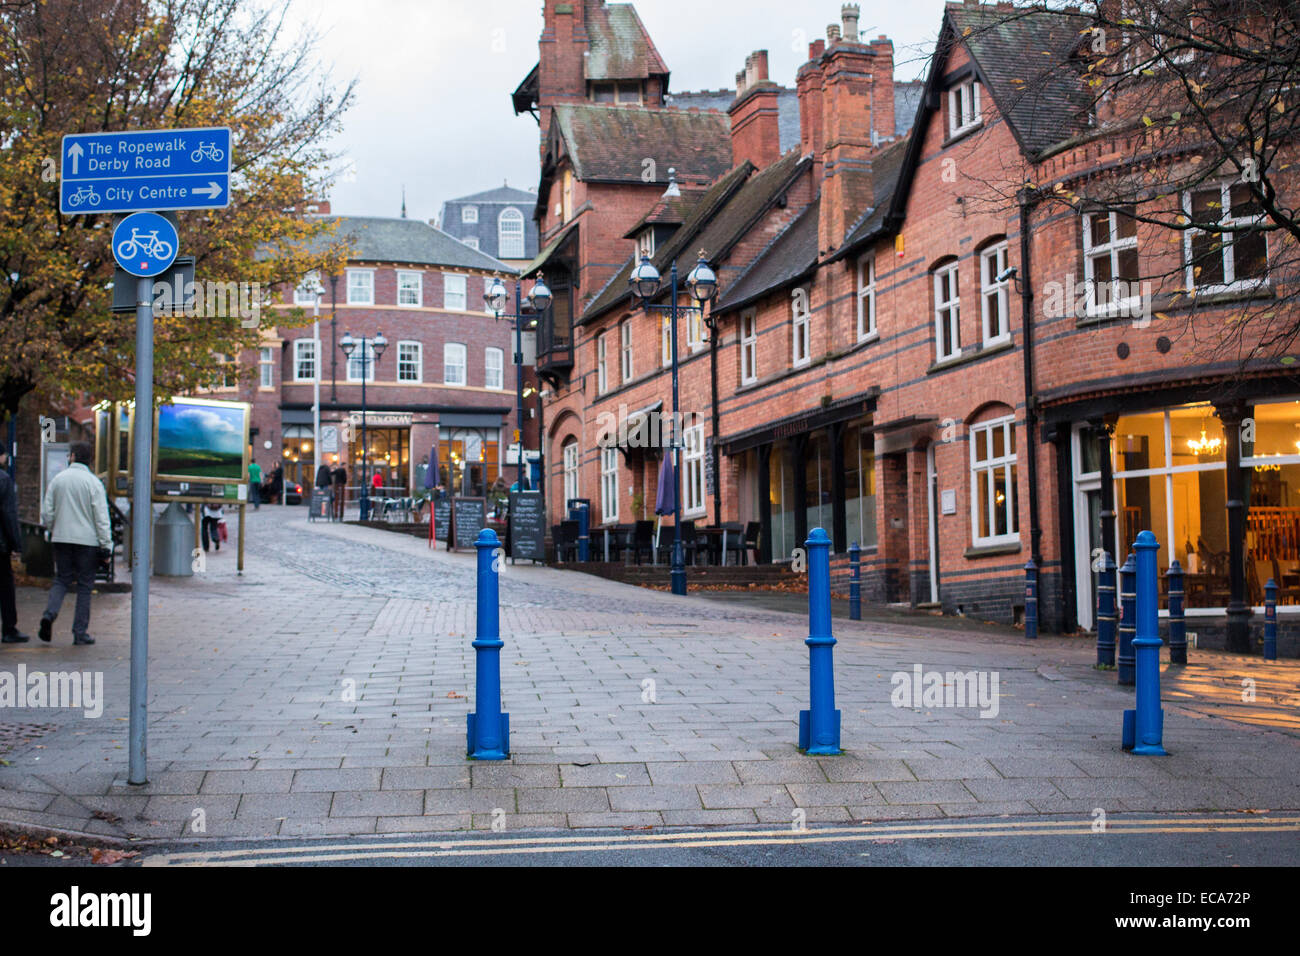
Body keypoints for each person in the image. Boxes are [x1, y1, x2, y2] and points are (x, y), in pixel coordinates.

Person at [39, 441, 111, 646]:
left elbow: (47, 512)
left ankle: (49, 614)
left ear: (72, 456)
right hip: (87, 542)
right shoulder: (93, 483)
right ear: (90, 460)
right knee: (85, 586)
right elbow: (101, 517)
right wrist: (106, 546)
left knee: (61, 579)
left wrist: (53, 528)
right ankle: (79, 632)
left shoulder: (58, 480)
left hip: (61, 537)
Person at [0, 445, 30, 644]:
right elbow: (8, 515)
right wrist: (16, 544)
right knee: (5, 587)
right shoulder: (3, 479)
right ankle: (9, 629)